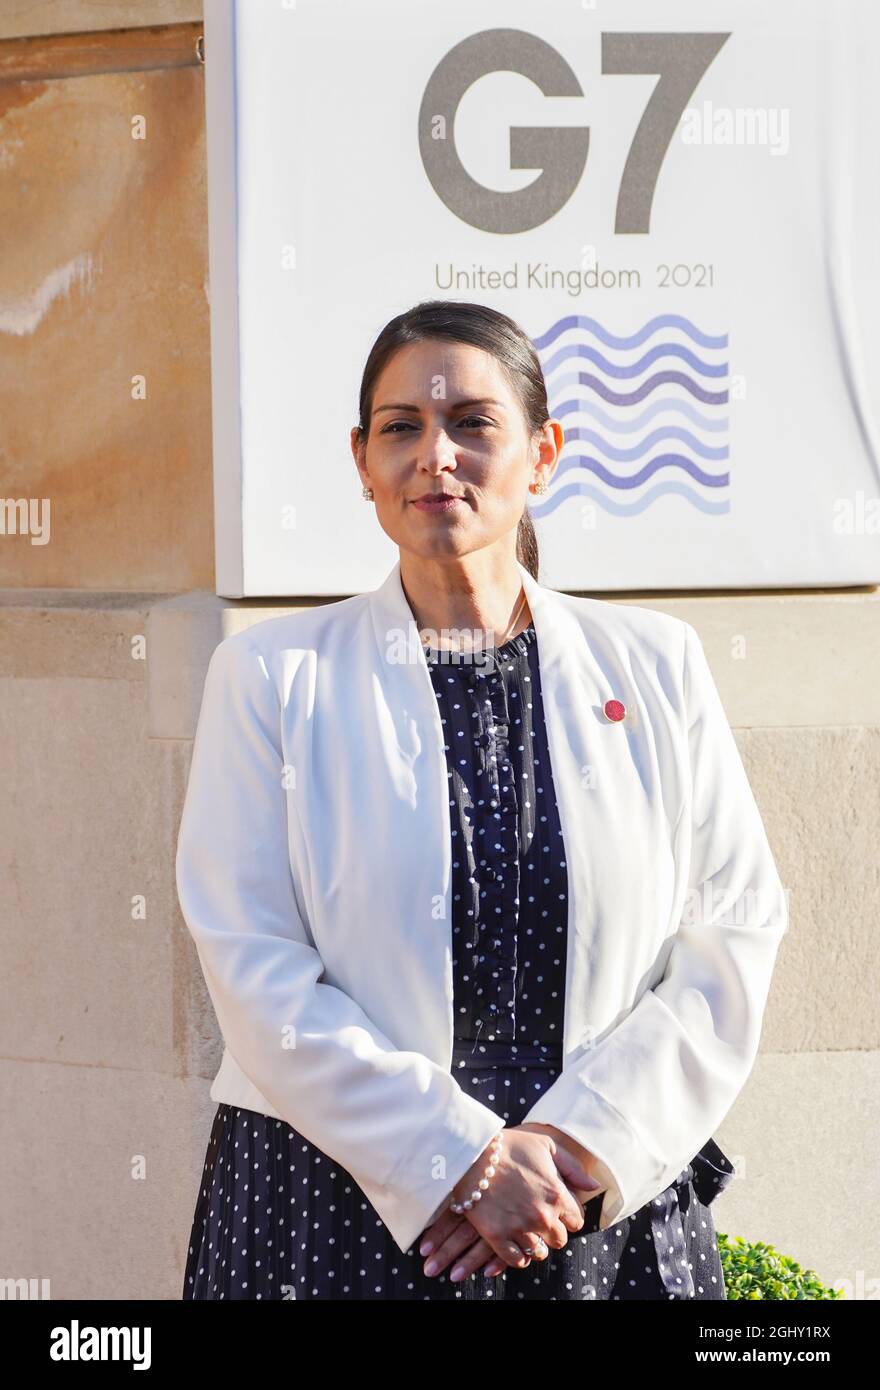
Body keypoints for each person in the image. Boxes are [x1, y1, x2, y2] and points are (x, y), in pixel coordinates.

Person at [177, 299, 787, 1300]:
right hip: (335, 1196)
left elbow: (736, 929)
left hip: (585, 1195)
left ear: (542, 453)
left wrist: (572, 1146)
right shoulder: (270, 678)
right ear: (362, 460)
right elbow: (249, 961)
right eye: (401, 428)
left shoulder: (657, 663)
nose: (435, 456)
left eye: (472, 422)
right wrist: (455, 1156)